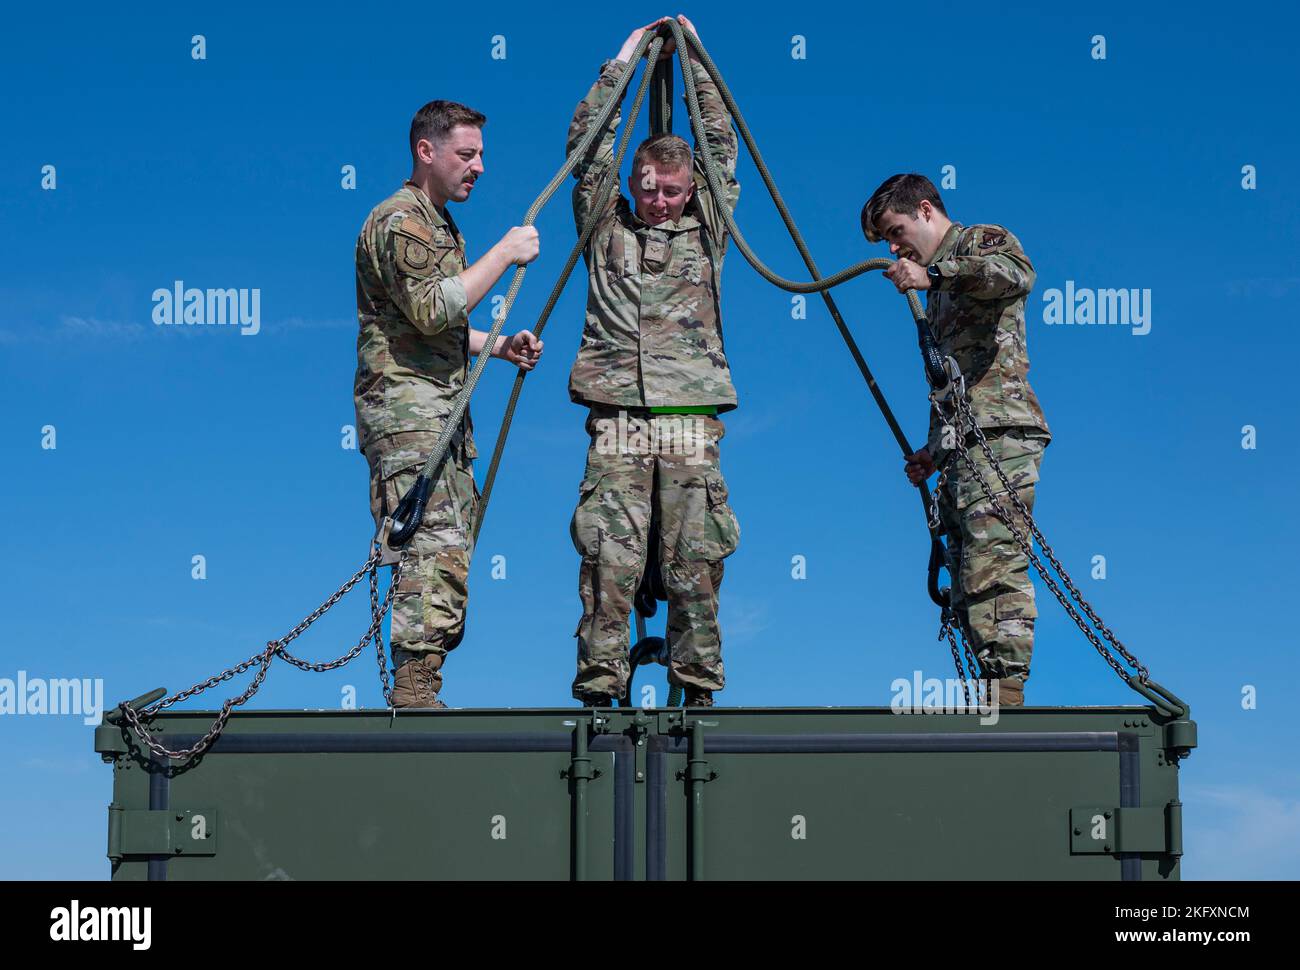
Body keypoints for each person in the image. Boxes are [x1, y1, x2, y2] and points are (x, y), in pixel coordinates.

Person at [566, 16, 740, 708]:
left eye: (671, 191)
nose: (659, 202)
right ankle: (600, 690)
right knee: (610, 558)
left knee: (695, 557)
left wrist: (696, 54)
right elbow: (587, 146)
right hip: (616, 418)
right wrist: (625, 56)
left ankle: (695, 692)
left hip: (689, 417)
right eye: (648, 189)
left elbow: (720, 143)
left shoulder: (710, 228)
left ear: (689, 189)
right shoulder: (604, 223)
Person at [354, 99, 544, 708]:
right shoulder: (401, 220)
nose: (479, 167)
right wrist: (505, 254)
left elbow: (437, 326)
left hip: (439, 414)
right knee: (432, 546)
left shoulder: (439, 225)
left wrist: (501, 346)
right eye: (467, 154)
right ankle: (414, 693)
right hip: (410, 418)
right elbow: (435, 306)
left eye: (481, 154)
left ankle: (422, 685)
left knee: (449, 547)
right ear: (425, 151)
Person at [861, 174, 1050, 706]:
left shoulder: (978, 243)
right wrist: (933, 452)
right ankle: (988, 693)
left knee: (994, 562)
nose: (894, 248)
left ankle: (1006, 697)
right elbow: (948, 380)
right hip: (964, 443)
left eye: (896, 233)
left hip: (1000, 432)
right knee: (965, 572)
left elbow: (1014, 276)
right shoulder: (935, 290)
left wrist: (933, 273)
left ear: (925, 209)